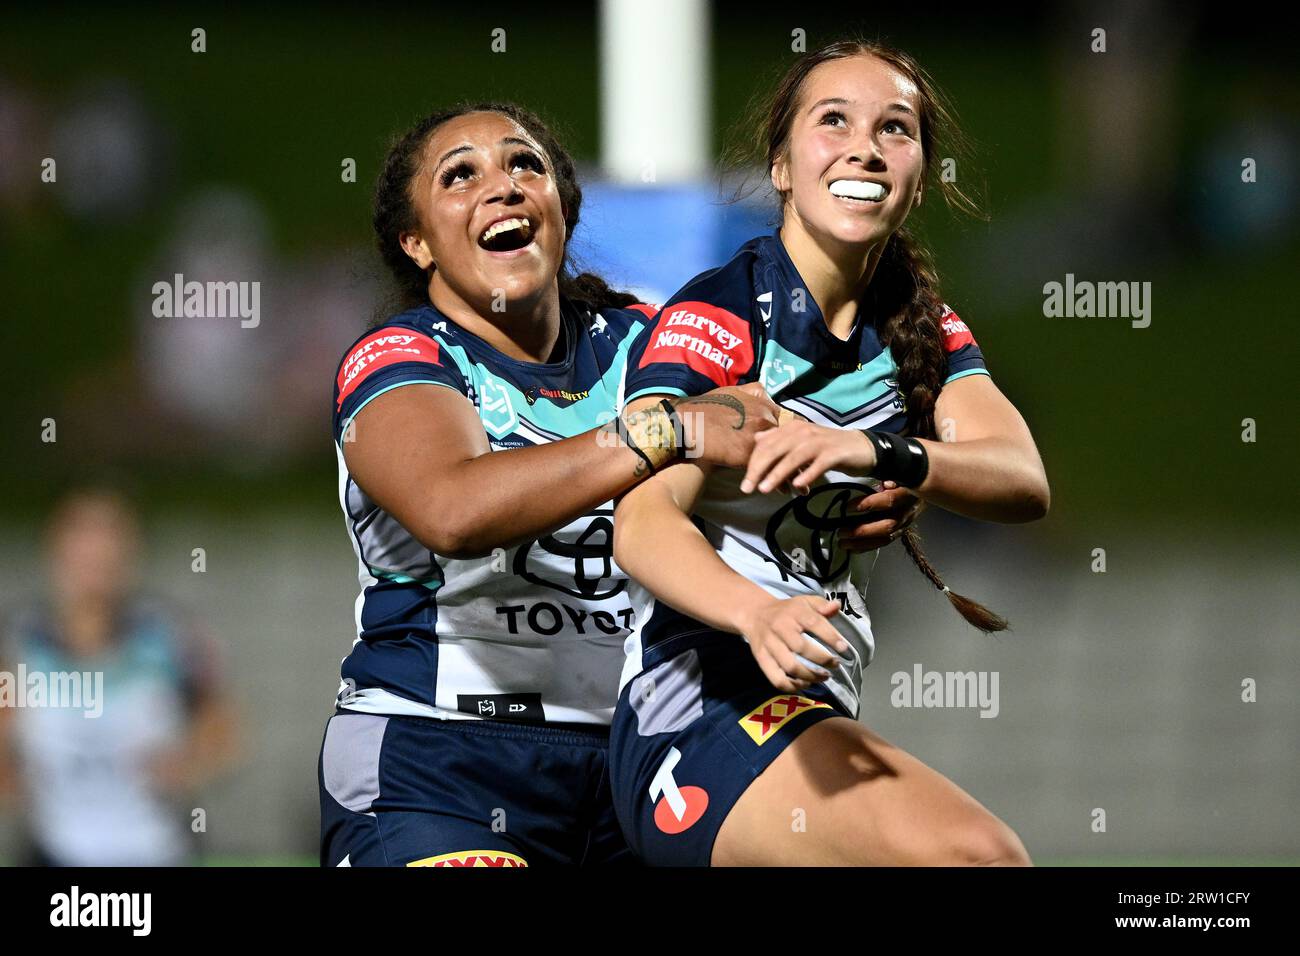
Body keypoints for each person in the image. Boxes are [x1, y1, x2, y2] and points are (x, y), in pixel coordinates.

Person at [320, 101, 815, 867]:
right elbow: (455, 509)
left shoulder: (651, 344)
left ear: (562, 208)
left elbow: (769, 452)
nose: (504, 186)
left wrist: (839, 496)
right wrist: (668, 429)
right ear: (415, 243)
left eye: (526, 166)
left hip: (638, 758)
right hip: (438, 758)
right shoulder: (396, 359)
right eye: (461, 175)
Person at [607, 40, 1050, 866]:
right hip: (698, 712)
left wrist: (877, 453)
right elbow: (639, 521)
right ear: (780, 165)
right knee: (978, 856)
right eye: (833, 120)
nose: (864, 145)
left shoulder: (919, 326)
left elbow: (1022, 479)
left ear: (919, 178)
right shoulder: (720, 316)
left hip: (810, 705)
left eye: (895, 128)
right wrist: (755, 612)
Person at [0, 487, 238, 866]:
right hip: (55, 853)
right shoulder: (20, 642)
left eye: (109, 539)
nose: (95, 557)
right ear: (55, 551)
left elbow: (222, 729)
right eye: (82, 541)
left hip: (160, 851)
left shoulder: (168, 635)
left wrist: (185, 764)